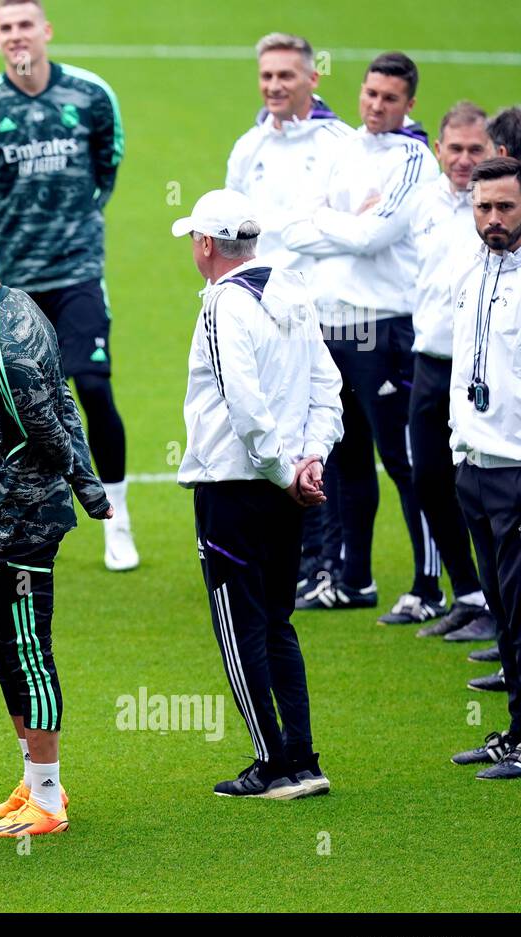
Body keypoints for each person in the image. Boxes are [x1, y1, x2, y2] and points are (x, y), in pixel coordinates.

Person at [0, 222, 112, 837]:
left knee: (27, 651)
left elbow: (44, 421)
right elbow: (61, 399)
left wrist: (88, 489)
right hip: (3, 517)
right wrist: (87, 483)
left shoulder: (4, 339)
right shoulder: (18, 308)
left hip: (21, 521)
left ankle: (50, 799)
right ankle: (33, 777)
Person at [0, 0, 137, 571]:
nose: (16, 36)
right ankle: (16, 523)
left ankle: (118, 518)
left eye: (25, 25)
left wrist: (73, 224)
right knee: (13, 404)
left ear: (46, 31)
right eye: (5, 28)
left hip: (78, 271)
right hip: (14, 287)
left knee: (93, 386)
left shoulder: (90, 95)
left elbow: (107, 169)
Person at [172, 190, 343, 797]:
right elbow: (329, 388)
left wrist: (281, 469)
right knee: (277, 621)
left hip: (234, 490)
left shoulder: (222, 305)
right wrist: (310, 460)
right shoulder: (294, 292)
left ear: (207, 244)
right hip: (287, 489)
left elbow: (244, 405)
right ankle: (302, 757)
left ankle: (273, 765)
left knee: (240, 627)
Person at [283, 52, 442, 623]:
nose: (376, 105)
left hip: (384, 324)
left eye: (390, 98)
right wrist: (342, 222)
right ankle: (356, 579)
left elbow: (375, 239)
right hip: (332, 322)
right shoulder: (343, 147)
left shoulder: (414, 159)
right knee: (345, 458)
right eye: (371, 93)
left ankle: (429, 586)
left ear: (409, 105)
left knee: (403, 460)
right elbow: (294, 229)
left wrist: (331, 220)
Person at [224, 32, 351, 595]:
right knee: (273, 429)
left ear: (312, 77)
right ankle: (298, 560)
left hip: (320, 311)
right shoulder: (248, 146)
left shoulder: (341, 145)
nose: (274, 86)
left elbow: (348, 230)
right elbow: (234, 228)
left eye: (286, 76)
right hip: (259, 311)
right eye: (266, 76)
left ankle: (332, 563)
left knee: (320, 435)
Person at [407, 104, 498, 645]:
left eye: (476, 149)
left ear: (494, 153)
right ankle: (467, 592)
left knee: (481, 492)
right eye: (456, 148)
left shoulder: (495, 210)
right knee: (429, 479)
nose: (464, 160)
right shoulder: (422, 203)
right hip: (427, 358)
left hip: (475, 372)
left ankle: (498, 606)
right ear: (437, 148)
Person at [446, 157, 521, 780]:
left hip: (518, 470)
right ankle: (517, 732)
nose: (493, 220)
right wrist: (456, 444)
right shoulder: (474, 270)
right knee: (501, 604)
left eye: (505, 208)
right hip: (473, 465)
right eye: (483, 208)